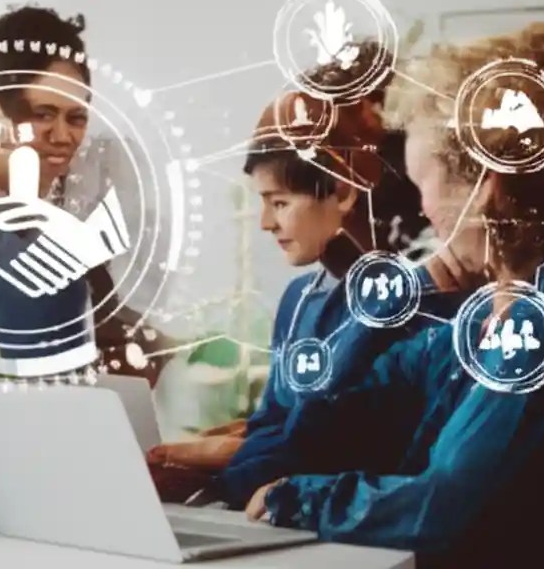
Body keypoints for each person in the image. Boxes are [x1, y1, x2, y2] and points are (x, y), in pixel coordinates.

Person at [241, 23, 544, 566]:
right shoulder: (507, 296)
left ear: (485, 184)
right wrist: (405, 290)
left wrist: (292, 498)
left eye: (425, 186)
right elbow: (320, 425)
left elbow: (444, 506)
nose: (422, 212)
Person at [148, 39, 457, 483]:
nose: (265, 224)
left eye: (280, 202)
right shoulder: (302, 299)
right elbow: (275, 428)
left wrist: (223, 457)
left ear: (347, 190)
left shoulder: (419, 305)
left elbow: (317, 448)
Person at [0, 6, 172, 382]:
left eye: (76, 117)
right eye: (42, 114)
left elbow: (140, 307)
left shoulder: (112, 168)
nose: (63, 137)